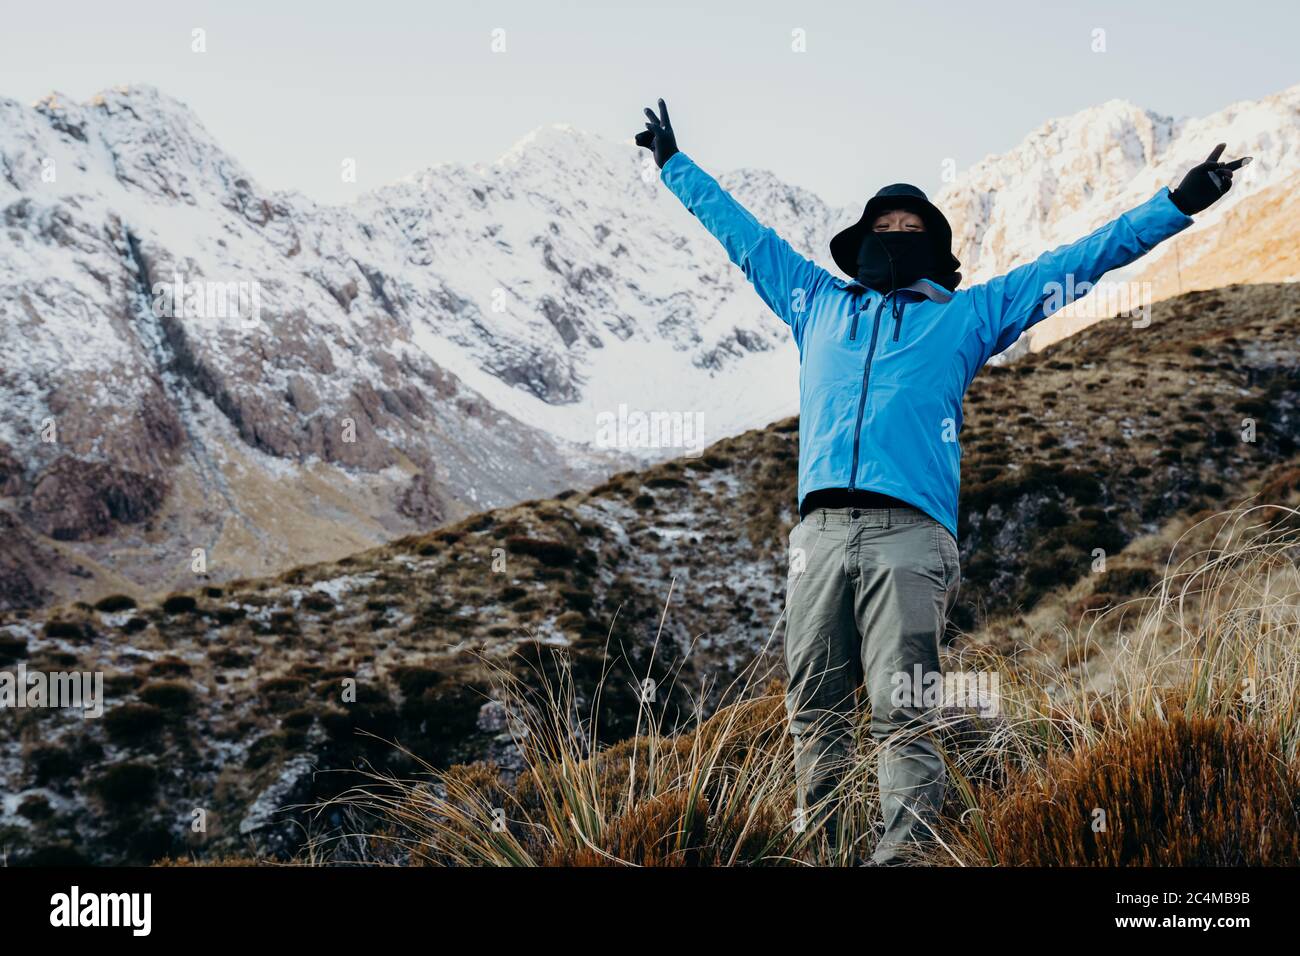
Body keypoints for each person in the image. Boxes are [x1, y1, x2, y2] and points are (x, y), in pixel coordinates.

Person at [635, 98, 1249, 864]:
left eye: (910, 229)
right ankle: (823, 854)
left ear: (934, 246)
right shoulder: (815, 303)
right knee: (813, 711)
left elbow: (1079, 263)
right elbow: (743, 237)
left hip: (910, 536)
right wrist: (674, 165)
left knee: (903, 710)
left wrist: (1176, 204)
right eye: (884, 229)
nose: (896, 238)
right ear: (859, 243)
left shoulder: (967, 317)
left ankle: (903, 857)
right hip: (817, 538)